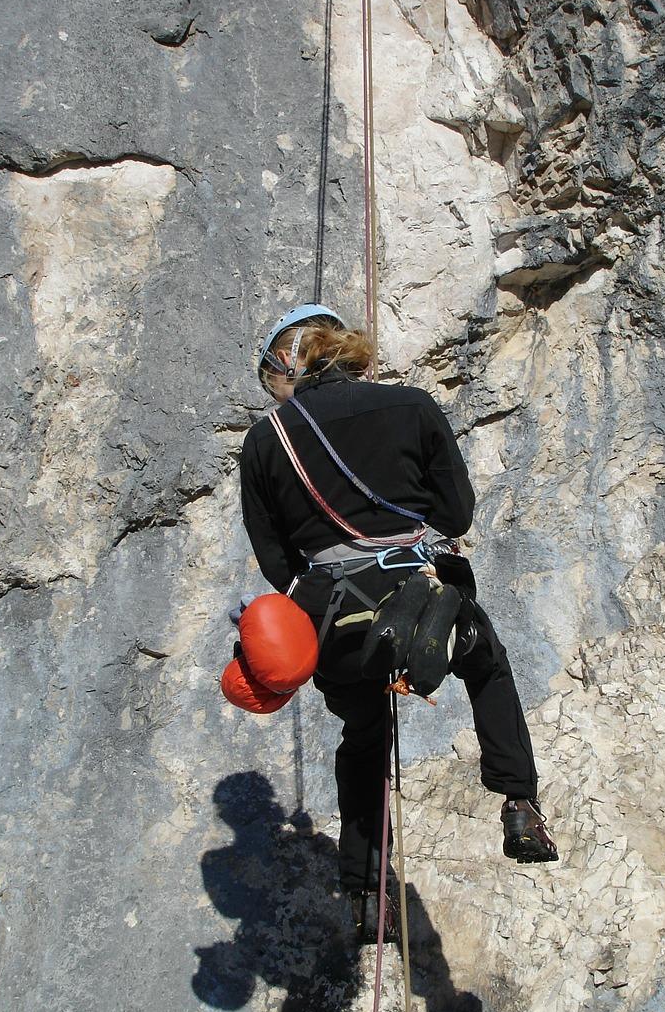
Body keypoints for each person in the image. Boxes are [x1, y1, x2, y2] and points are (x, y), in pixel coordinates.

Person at [239, 304, 558, 937]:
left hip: (336, 618)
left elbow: (275, 557)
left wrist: (321, 588)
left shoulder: (265, 439)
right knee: (485, 663)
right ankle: (519, 803)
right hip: (423, 590)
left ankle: (363, 893)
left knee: (363, 740)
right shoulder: (411, 406)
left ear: (290, 362)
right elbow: (457, 515)